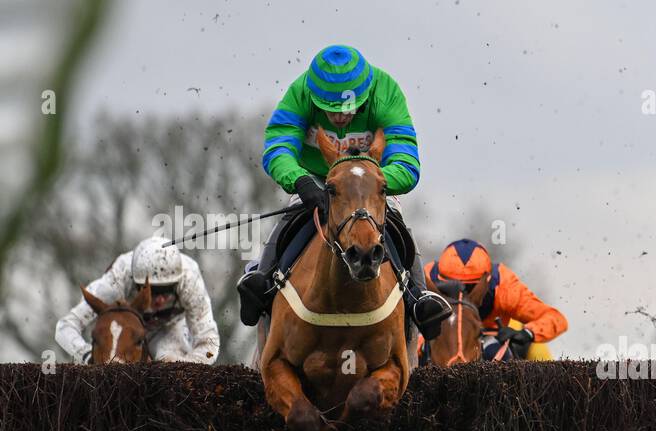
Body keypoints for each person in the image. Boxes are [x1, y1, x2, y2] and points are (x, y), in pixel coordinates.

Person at [236, 44, 449, 339]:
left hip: (370, 182)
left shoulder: (386, 92)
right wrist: (300, 180)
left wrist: (367, 185)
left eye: (347, 109)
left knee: (396, 217)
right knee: (291, 215)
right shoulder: (300, 92)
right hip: (317, 179)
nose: (338, 117)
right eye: (329, 110)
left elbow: (406, 163)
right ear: (314, 96)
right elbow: (278, 147)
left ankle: (418, 297)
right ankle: (263, 280)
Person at [55, 235, 220, 363]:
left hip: (169, 328)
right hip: (124, 332)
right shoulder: (118, 278)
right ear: (135, 281)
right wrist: (86, 355)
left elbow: (209, 342)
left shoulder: (189, 279)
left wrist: (184, 369)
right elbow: (66, 326)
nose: (160, 301)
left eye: (167, 291)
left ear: (176, 282)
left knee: (169, 358)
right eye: (153, 291)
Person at [424, 239, 567, 360]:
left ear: (486, 280)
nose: (462, 295)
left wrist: (527, 333)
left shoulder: (505, 285)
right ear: (439, 279)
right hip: (437, 335)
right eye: (452, 287)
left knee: (497, 353)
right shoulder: (426, 276)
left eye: (469, 288)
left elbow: (556, 319)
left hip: (488, 337)